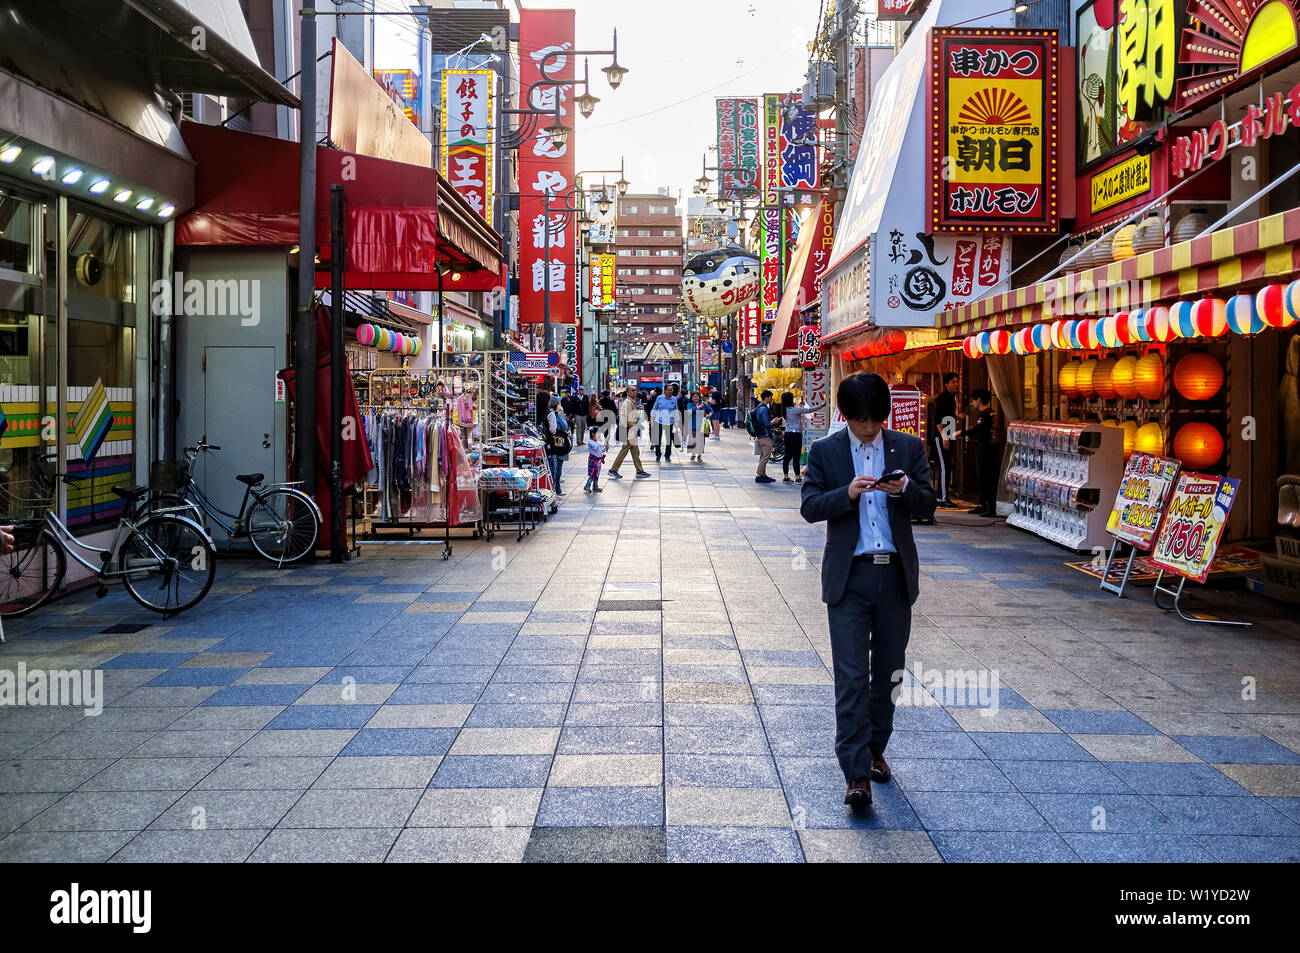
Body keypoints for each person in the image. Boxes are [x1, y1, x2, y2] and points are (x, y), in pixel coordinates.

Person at [800, 372, 937, 810]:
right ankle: (856, 774)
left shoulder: (907, 448)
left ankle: (876, 747)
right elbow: (808, 506)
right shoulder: (826, 451)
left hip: (894, 576)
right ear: (846, 416)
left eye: (876, 420)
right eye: (860, 420)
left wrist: (907, 489)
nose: (868, 428)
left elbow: (930, 505)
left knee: (890, 671)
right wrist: (847, 493)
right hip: (849, 577)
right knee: (852, 676)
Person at [959, 388, 1000, 517]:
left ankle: (989, 506)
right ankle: (983, 504)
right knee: (984, 477)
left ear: (979, 400)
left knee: (986, 477)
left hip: (985, 450)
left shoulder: (985, 414)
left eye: (974, 399)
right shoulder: (991, 413)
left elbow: (977, 429)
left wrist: (961, 432)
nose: (972, 402)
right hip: (990, 449)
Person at [607, 385, 652, 479]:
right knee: (624, 450)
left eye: (635, 390)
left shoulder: (631, 402)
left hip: (631, 430)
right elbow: (628, 418)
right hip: (629, 430)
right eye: (633, 390)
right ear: (627, 392)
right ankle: (613, 470)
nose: (635, 392)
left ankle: (639, 471)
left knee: (635, 452)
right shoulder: (628, 402)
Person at [930, 372, 960, 508]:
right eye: (953, 382)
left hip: (949, 434)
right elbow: (937, 418)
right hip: (942, 436)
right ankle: (943, 497)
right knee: (944, 466)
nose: (956, 384)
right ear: (946, 384)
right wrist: (944, 437)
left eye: (957, 381)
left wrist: (959, 417)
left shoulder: (951, 398)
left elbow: (949, 416)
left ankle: (942, 494)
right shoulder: (942, 398)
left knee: (948, 466)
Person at [778, 391, 822, 484]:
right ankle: (798, 478)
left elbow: (799, 410)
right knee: (796, 456)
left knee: (787, 455)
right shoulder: (795, 410)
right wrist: (821, 406)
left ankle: (786, 477)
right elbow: (809, 410)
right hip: (795, 435)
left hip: (787, 433)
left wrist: (800, 406)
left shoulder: (784, 410)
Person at [545, 395, 571, 496]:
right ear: (557, 404)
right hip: (558, 443)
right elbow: (565, 426)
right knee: (558, 468)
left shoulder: (544, 412)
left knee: (551, 468)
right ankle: (557, 489)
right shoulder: (556, 414)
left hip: (548, 444)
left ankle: (551, 489)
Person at [751, 389, 775, 483]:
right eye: (771, 397)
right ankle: (760, 474)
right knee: (765, 456)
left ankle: (763, 474)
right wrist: (773, 422)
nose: (771, 399)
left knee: (763, 455)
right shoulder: (763, 408)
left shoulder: (759, 407)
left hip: (760, 435)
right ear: (767, 397)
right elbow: (766, 423)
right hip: (764, 435)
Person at [651, 386, 678, 464]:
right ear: (665, 390)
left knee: (668, 440)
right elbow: (654, 408)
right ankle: (658, 455)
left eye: (671, 390)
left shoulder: (674, 399)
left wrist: (676, 422)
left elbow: (676, 411)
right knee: (658, 439)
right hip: (659, 421)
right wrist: (651, 419)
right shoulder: (659, 398)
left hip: (669, 422)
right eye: (669, 390)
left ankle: (667, 455)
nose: (671, 391)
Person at [584, 424, 606, 493]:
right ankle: (587, 486)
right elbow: (595, 447)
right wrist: (600, 443)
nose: (599, 435)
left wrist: (605, 449)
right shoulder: (591, 442)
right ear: (593, 434)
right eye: (598, 433)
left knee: (597, 474)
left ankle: (595, 486)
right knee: (592, 474)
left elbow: (599, 451)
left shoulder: (596, 442)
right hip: (593, 460)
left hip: (598, 461)